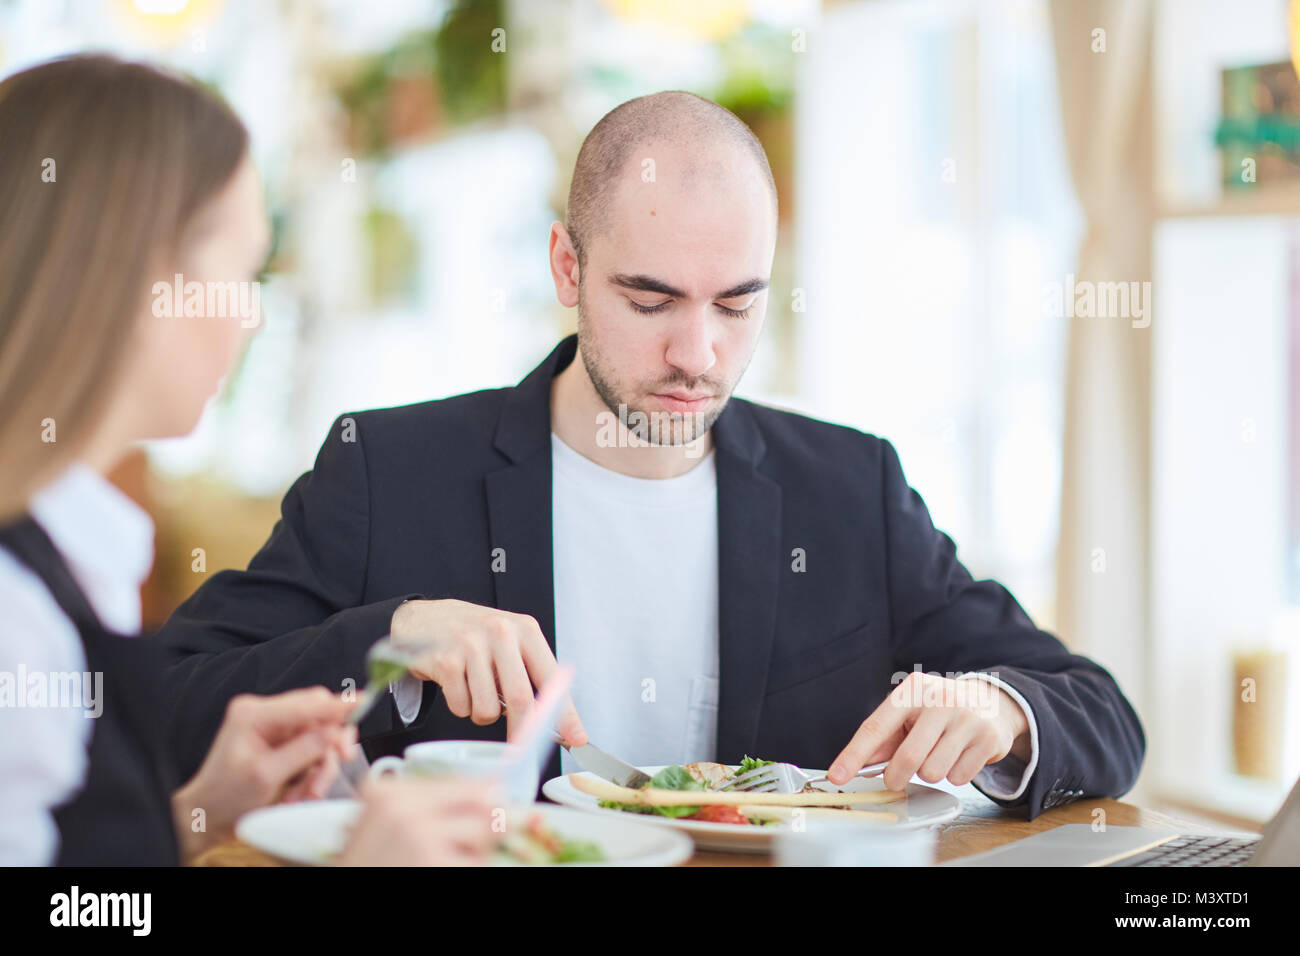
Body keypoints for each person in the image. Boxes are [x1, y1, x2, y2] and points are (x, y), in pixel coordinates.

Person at [158, 91, 1145, 819]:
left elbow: (1103, 713)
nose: (697, 353)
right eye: (650, 298)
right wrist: (391, 636)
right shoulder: (388, 469)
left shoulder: (850, 489)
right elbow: (161, 704)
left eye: (737, 302)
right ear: (566, 268)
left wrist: (1001, 707)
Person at [0, 54, 497, 865]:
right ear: (138, 278)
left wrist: (199, 811)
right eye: (240, 272)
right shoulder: (16, 614)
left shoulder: (64, 558)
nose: (252, 318)